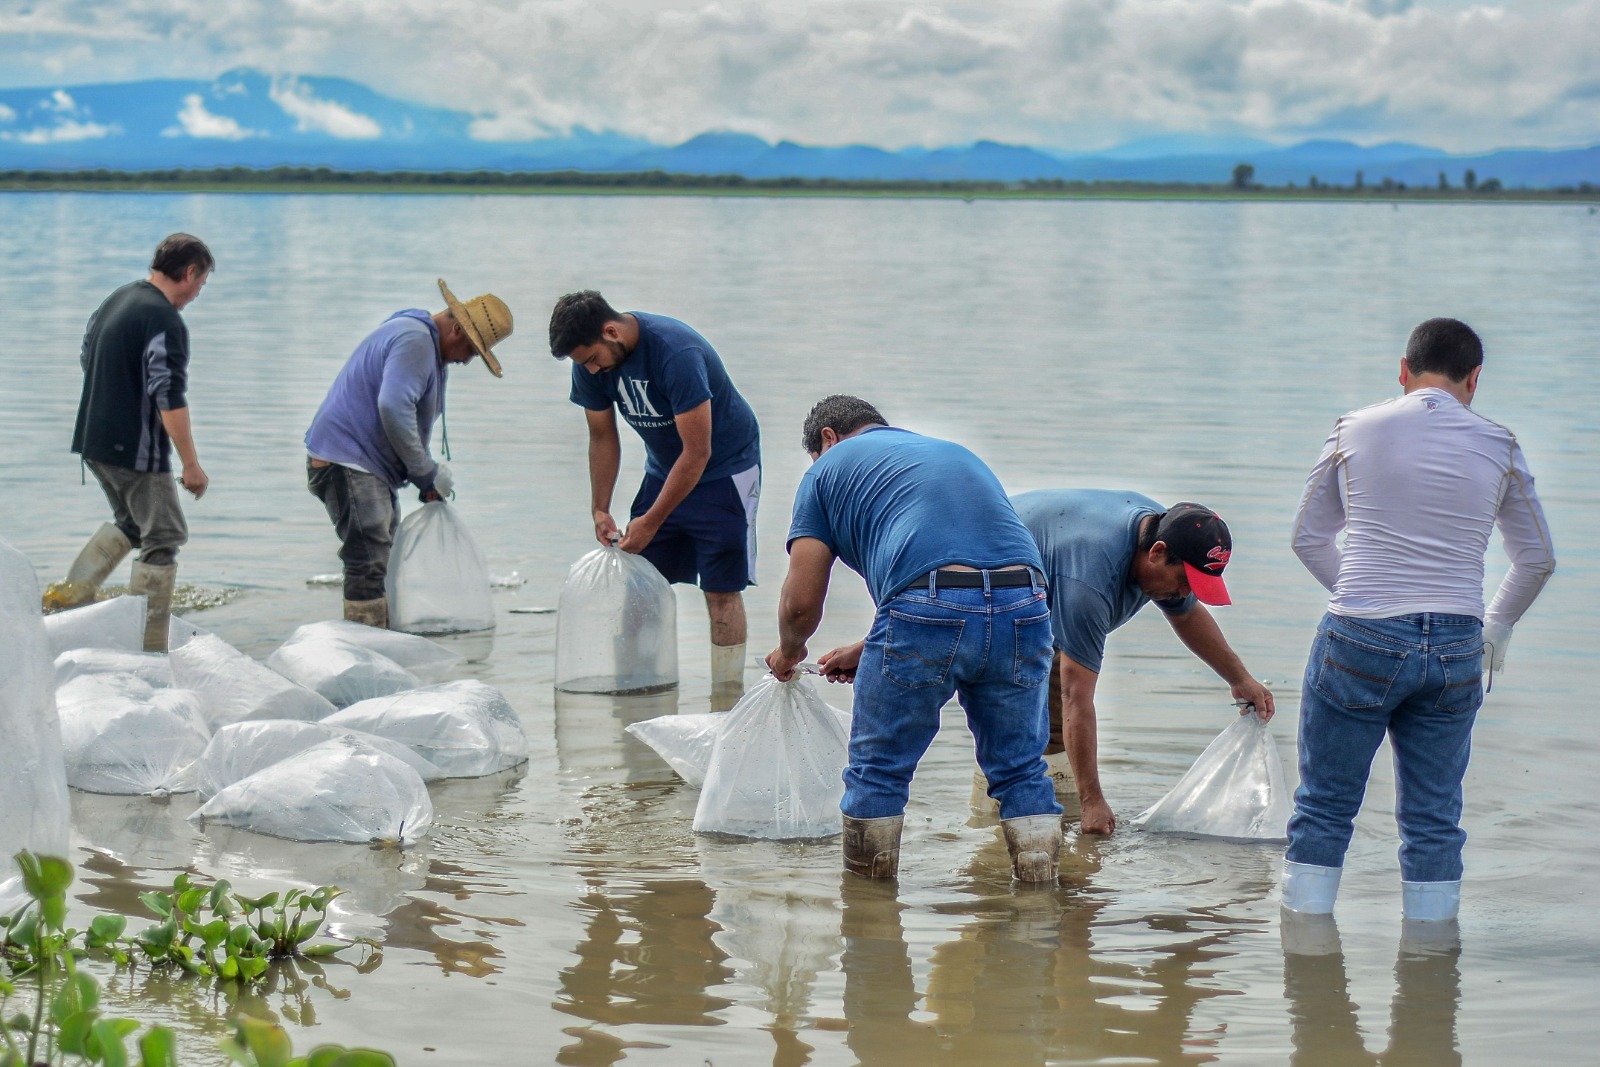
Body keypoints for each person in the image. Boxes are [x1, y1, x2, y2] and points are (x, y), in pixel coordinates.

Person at [1281, 318, 1555, 922]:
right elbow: (1536, 559)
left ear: (1403, 372)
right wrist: (1495, 628)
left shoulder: (1355, 428)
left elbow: (1307, 538)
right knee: (1434, 820)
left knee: (1325, 808)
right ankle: (1432, 975)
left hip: (1359, 636)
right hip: (1458, 646)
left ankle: (1306, 966)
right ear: (1474, 379)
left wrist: (1363, 602)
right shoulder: (1501, 444)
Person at [765, 395, 1062, 883]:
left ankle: (869, 923)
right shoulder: (948, 452)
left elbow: (800, 603)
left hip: (925, 606)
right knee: (1021, 770)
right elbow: (973, 585)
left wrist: (790, 650)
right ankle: (1038, 904)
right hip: (1026, 604)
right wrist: (872, 646)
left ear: (827, 439)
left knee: (878, 773)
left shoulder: (826, 469)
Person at [998, 490, 1276, 835]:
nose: (1186, 594)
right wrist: (1093, 801)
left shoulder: (1165, 533)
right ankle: (1001, 830)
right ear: (1157, 553)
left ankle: (1058, 819)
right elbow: (1077, 697)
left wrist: (1239, 678)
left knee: (1053, 722)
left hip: (1049, 583)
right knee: (1016, 731)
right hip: (988, 579)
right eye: (1186, 582)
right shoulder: (1090, 582)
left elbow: (1186, 616)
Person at [551, 291, 761, 709]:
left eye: (592, 358)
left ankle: (726, 702)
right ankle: (637, 699)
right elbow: (602, 435)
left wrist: (651, 519)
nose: (590, 369)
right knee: (637, 587)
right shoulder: (588, 365)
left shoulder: (675, 353)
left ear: (611, 332)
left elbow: (698, 451)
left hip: (725, 471)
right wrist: (600, 506)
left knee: (721, 592)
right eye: (583, 364)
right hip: (664, 468)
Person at [305, 279, 512, 628]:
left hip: (366, 465)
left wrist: (424, 475)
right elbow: (393, 406)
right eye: (473, 351)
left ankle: (376, 646)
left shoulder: (420, 340)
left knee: (380, 558)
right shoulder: (416, 340)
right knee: (369, 560)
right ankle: (365, 653)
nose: (467, 361)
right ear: (458, 329)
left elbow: (406, 418)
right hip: (347, 459)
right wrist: (424, 473)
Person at [47, 233, 215, 651]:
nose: (197, 294)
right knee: (165, 535)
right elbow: (168, 393)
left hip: (93, 440)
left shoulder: (117, 299)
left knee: (132, 525)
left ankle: (64, 603)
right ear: (189, 272)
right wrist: (191, 465)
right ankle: (149, 644)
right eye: (202, 283)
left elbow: (87, 355)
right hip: (134, 449)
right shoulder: (164, 319)